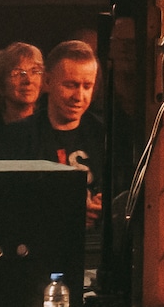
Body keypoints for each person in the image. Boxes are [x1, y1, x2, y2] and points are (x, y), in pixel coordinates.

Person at [30, 42, 109, 226]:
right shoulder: (21, 137)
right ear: (47, 81)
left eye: (87, 86)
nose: (79, 97)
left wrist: (108, 204)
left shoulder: (106, 134)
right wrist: (68, 212)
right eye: (70, 85)